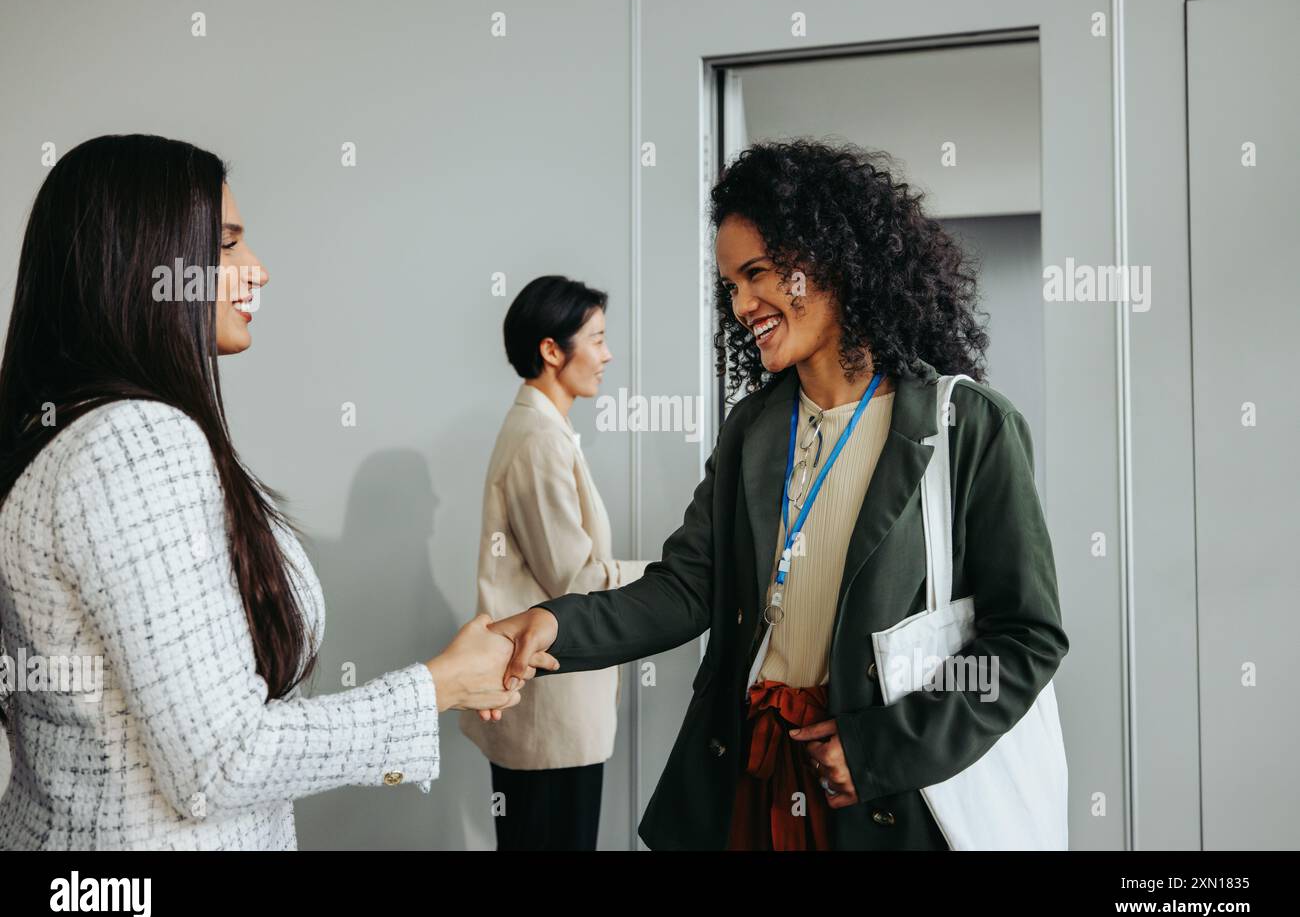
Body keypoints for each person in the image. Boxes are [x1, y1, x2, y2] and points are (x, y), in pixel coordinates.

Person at [488, 139, 1068, 850]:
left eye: (758, 274)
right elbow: (687, 586)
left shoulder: (968, 426)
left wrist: (883, 745)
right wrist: (556, 625)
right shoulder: (754, 429)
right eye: (730, 284)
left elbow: (1026, 637)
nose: (741, 305)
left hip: (881, 790)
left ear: (832, 259)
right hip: (758, 778)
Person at [0, 134, 555, 850]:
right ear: (146, 263)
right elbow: (220, 761)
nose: (256, 270)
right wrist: (439, 685)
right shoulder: (133, 443)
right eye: (227, 245)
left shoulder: (60, 435)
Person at [460, 276, 648, 850]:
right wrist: (671, 575)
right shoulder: (538, 438)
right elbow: (577, 582)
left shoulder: (549, 431)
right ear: (551, 350)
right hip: (549, 714)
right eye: (596, 339)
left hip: (558, 708)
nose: (607, 354)